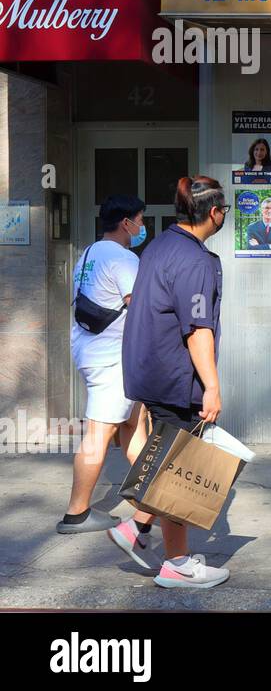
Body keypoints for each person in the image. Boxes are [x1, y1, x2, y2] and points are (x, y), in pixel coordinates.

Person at [121, 175, 230, 589]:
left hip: (149, 370)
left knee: (170, 460)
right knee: (182, 469)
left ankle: (135, 529)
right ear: (214, 213)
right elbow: (197, 329)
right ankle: (177, 564)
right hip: (175, 375)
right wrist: (213, 387)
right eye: (225, 211)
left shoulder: (160, 245)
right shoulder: (196, 261)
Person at [57, 195, 157, 564]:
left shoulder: (88, 254)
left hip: (93, 352)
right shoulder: (123, 257)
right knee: (98, 435)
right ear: (127, 223)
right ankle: (76, 513)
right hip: (111, 360)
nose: (141, 226)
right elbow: (139, 304)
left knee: (134, 428)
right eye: (139, 219)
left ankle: (151, 500)